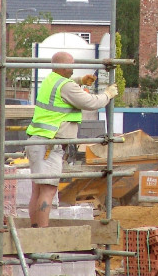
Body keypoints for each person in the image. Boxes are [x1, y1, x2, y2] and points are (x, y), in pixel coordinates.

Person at [25, 51, 118, 228]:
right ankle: (41, 236)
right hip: (49, 145)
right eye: (70, 65)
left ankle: (34, 233)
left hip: (38, 141)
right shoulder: (66, 86)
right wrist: (108, 94)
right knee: (48, 191)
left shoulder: (50, 80)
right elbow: (90, 102)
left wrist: (81, 81)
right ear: (62, 67)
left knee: (37, 190)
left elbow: (65, 86)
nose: (73, 68)